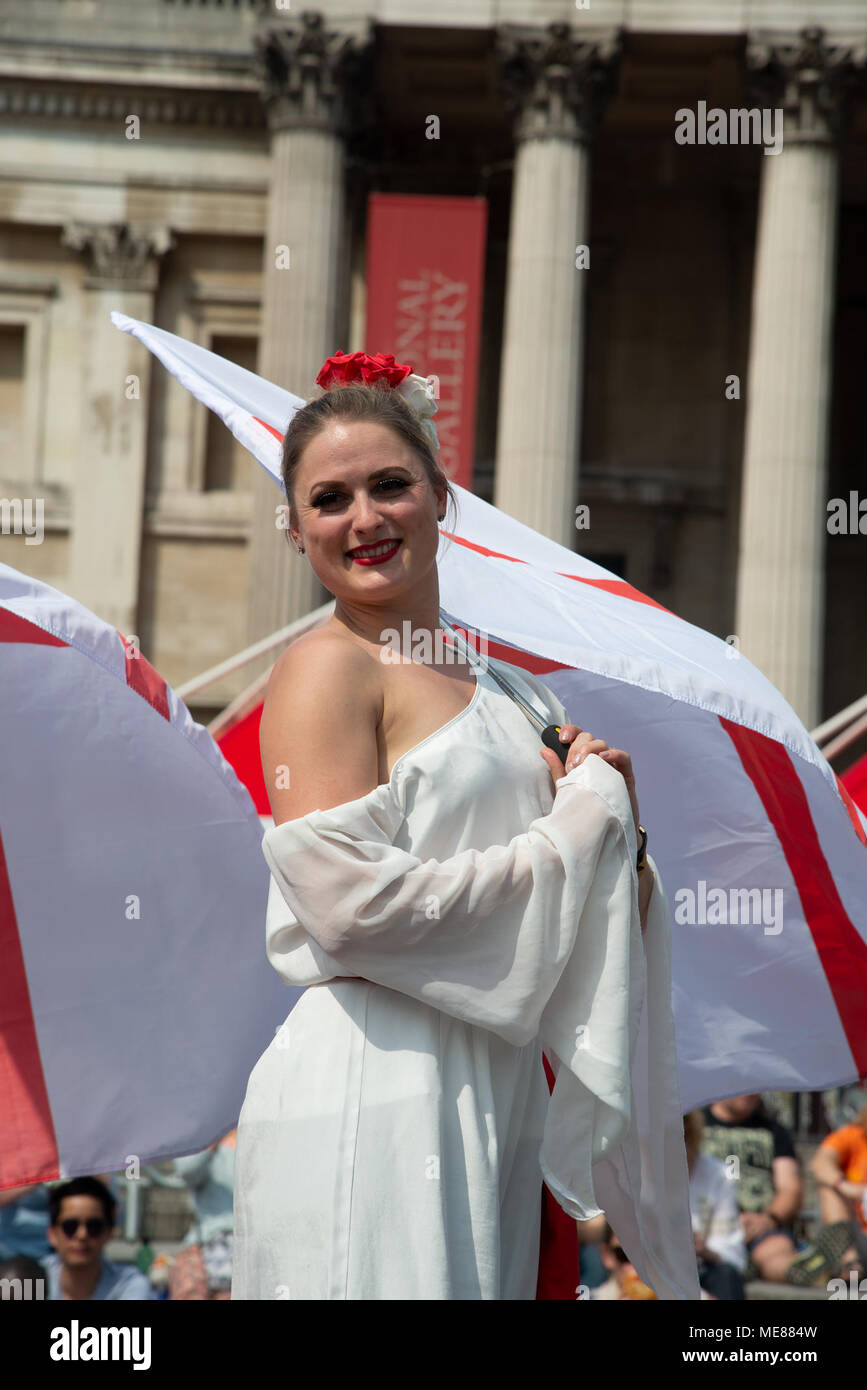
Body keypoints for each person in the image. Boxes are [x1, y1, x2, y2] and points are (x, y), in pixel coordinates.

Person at [231, 352, 699, 1300]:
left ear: (440, 497)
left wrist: (620, 828)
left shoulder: (518, 692)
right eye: (329, 499)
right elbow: (347, 911)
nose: (363, 519)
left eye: (389, 485)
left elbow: (594, 921)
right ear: (294, 530)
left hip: (496, 1092)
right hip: (376, 1085)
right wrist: (573, 834)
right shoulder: (327, 668)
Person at [700, 1093, 851, 1286]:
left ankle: (809, 1270)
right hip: (708, 1225)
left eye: (756, 1087)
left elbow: (790, 1188)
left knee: (776, 1252)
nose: (750, 1093)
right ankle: (741, 1266)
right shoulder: (697, 1128)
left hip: (762, 1227)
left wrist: (768, 1219)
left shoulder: (774, 1131)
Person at [43, 1177, 155, 1300]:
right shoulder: (32, 1279)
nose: (82, 1235)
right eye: (70, 1226)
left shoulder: (130, 1285)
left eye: (93, 1226)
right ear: (52, 1234)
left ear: (109, 1232)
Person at [683, 1109, 747, 1299]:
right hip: (650, 1267)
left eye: (682, 1135)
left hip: (702, 1269)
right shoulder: (640, 1172)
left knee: (726, 1276)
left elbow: (730, 1250)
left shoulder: (719, 1174)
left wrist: (702, 1249)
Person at [168, 1130, 236, 1300]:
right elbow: (187, 1170)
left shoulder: (264, 1129)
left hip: (253, 1247)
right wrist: (215, 1134)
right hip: (207, 1244)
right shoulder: (209, 1133)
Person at [809, 1098, 867, 1281]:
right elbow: (820, 1162)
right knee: (830, 1190)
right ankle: (848, 1262)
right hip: (858, 1234)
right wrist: (846, 1187)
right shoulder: (854, 1136)